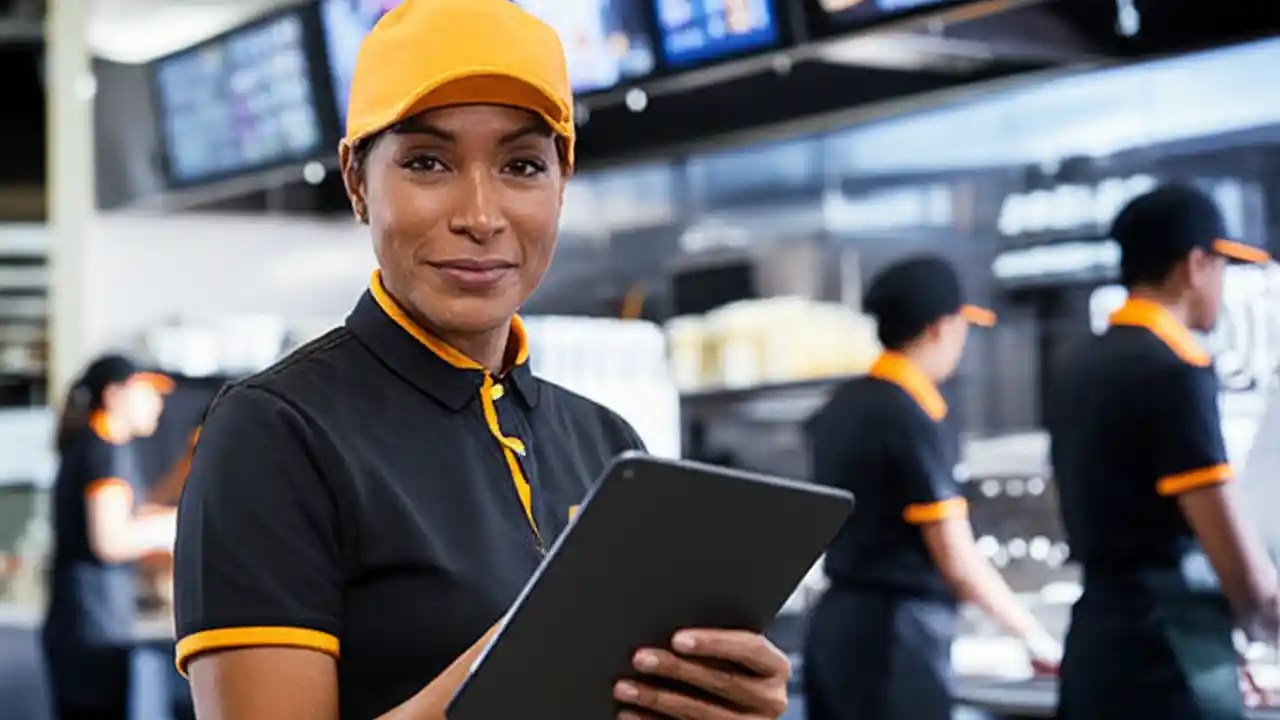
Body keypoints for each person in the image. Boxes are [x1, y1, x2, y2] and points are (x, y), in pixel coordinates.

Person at [171, 1, 792, 718]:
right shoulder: (274, 435)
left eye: (523, 165)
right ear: (356, 182)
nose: (480, 215)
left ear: (563, 181)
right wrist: (529, 663)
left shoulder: (608, 444)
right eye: (427, 162)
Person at [1050, 184, 1280, 720]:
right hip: (1168, 653)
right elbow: (1234, 556)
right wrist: (1260, 619)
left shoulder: (1078, 367)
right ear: (1195, 265)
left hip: (1096, 651)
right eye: (1222, 267)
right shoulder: (1175, 371)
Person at [803, 256, 1061, 720]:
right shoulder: (910, 413)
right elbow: (955, 557)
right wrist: (1033, 637)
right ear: (941, 328)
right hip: (895, 638)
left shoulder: (842, 406)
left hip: (836, 628)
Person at [42, 354, 178, 720]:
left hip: (89, 623)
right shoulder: (102, 452)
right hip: (90, 626)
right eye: (148, 392)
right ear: (115, 395)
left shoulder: (102, 446)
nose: (158, 402)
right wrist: (174, 527)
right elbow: (111, 539)